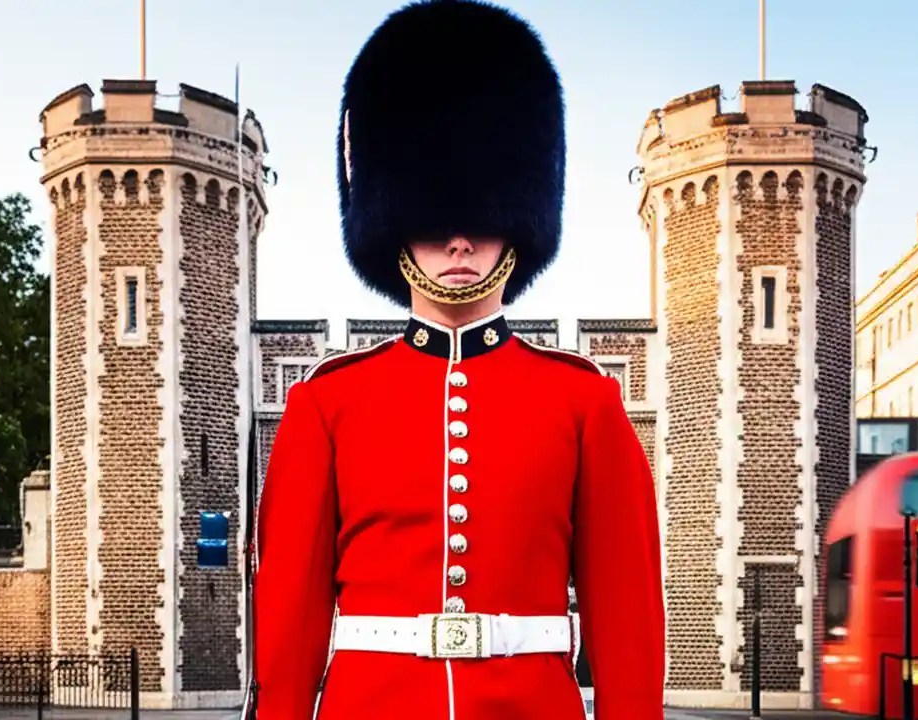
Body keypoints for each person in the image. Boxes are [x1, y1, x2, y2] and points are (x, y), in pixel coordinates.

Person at [251, 1, 665, 718]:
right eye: (434, 222)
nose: (460, 244)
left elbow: (626, 613)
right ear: (394, 225)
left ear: (517, 222)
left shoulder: (583, 401)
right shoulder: (326, 403)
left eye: (480, 219)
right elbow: (290, 614)